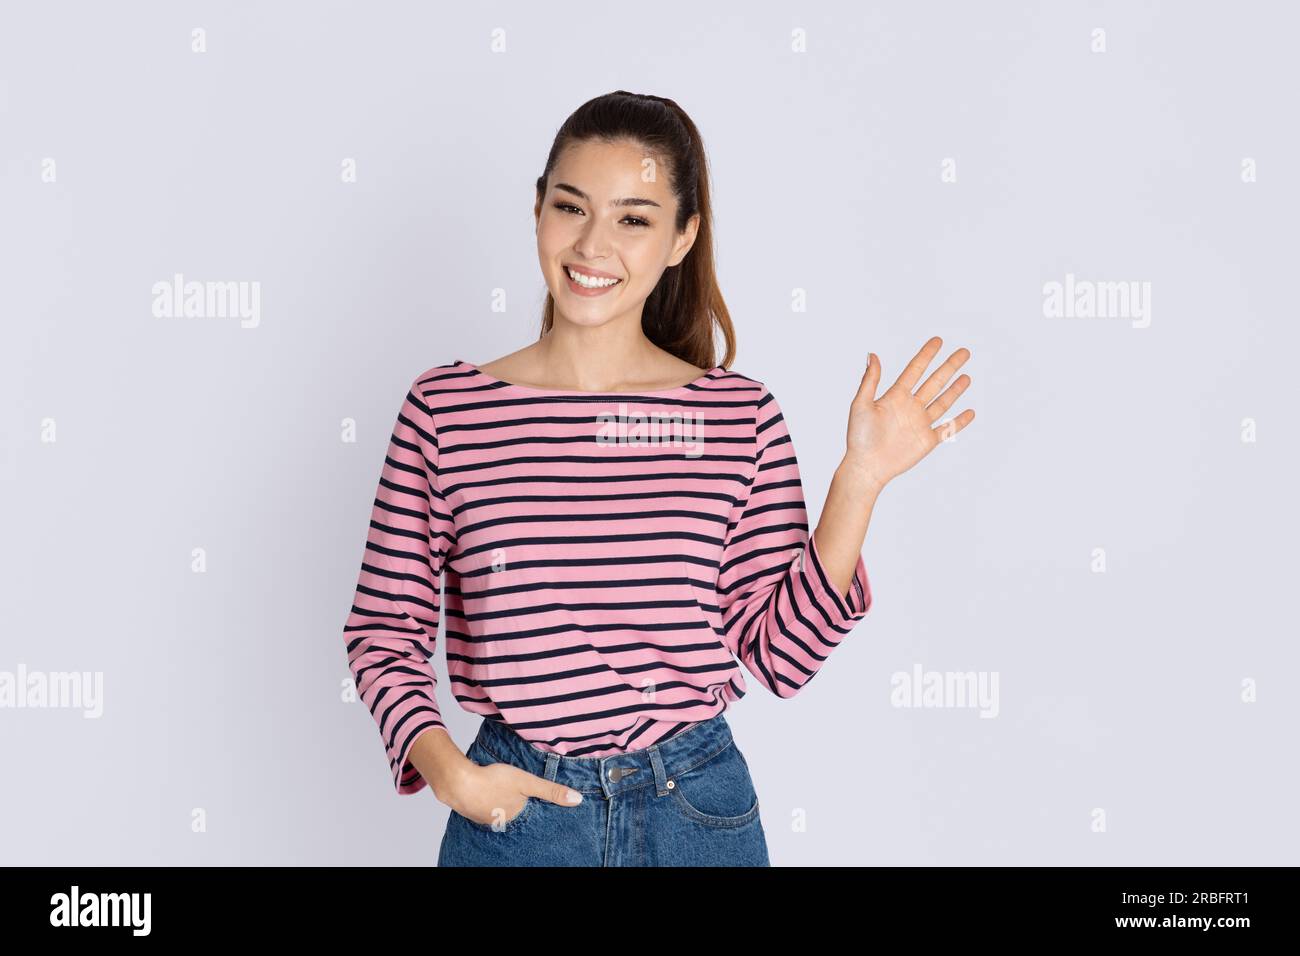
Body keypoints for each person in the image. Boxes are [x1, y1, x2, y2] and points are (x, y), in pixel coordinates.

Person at [342, 91, 975, 866]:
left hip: (695, 815)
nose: (592, 245)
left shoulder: (737, 418)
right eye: (571, 207)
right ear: (537, 209)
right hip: (516, 816)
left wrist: (860, 481)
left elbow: (781, 656)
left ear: (682, 238)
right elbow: (384, 631)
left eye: (633, 218)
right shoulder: (447, 411)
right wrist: (453, 776)